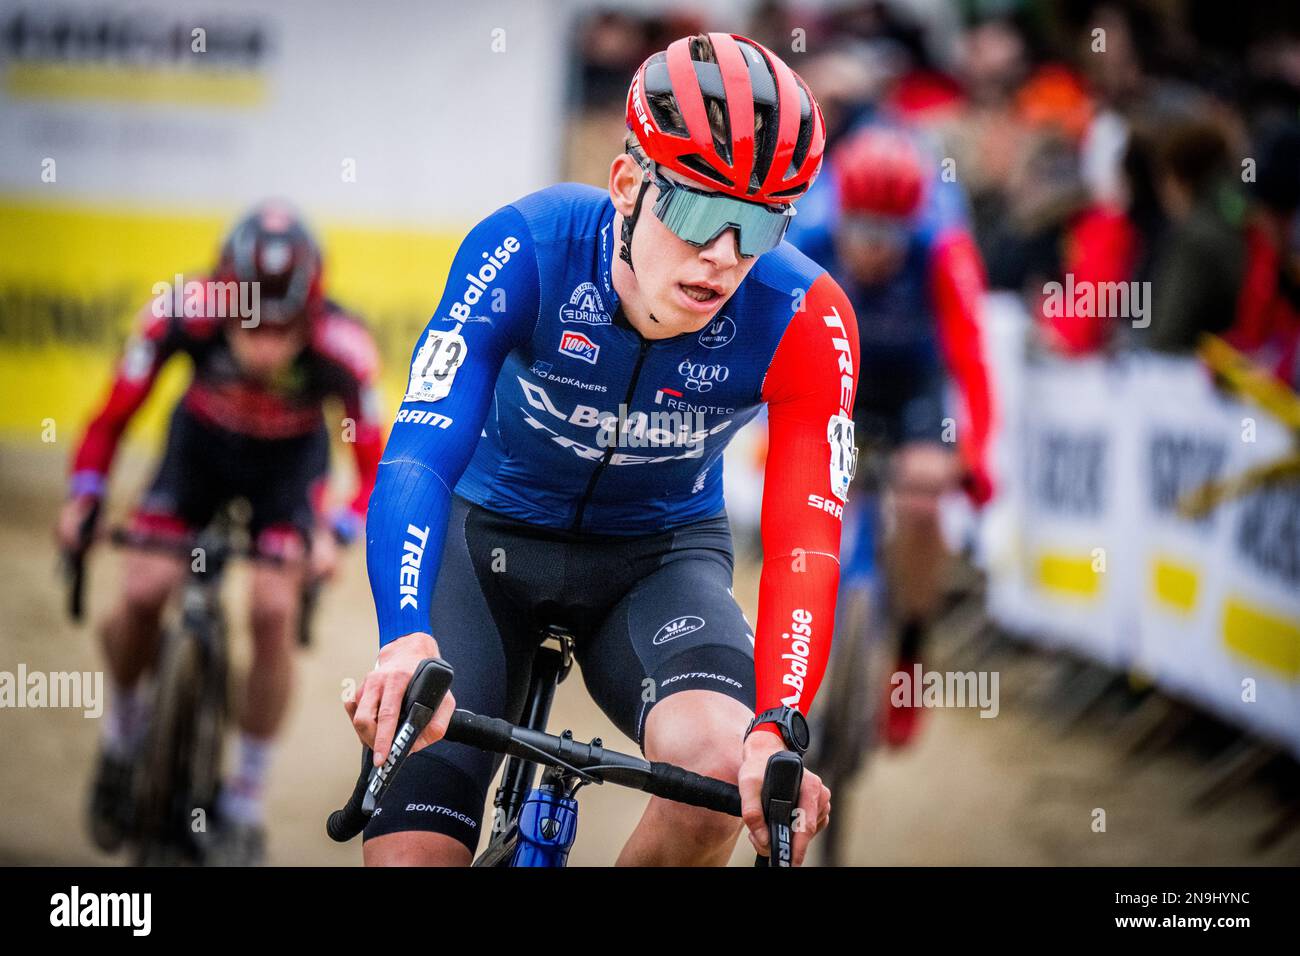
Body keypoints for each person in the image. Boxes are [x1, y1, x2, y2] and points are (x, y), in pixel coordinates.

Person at [348, 32, 859, 867]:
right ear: (627, 185)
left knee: (718, 777)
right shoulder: (526, 250)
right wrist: (405, 635)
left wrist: (780, 724)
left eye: (760, 222)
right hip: (489, 548)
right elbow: (416, 453)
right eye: (697, 211)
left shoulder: (808, 317)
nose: (723, 256)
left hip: (656, 564)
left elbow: (807, 539)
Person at [57, 202, 384, 864]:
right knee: (144, 589)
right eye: (248, 326)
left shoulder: (343, 348)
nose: (263, 344)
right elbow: (110, 416)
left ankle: (243, 798)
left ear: (311, 314)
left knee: (271, 608)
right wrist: (84, 498)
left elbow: (376, 467)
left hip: (286, 476)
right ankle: (122, 738)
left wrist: (338, 534)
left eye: (281, 329)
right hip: (196, 456)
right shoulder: (181, 310)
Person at [786, 123, 995, 748]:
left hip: (914, 395)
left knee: (921, 504)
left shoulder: (943, 251)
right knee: (803, 503)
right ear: (840, 213)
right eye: (862, 231)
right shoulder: (808, 240)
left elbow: (974, 362)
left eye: (890, 236)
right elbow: (768, 342)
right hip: (838, 385)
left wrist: (974, 459)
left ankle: (909, 652)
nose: (873, 250)